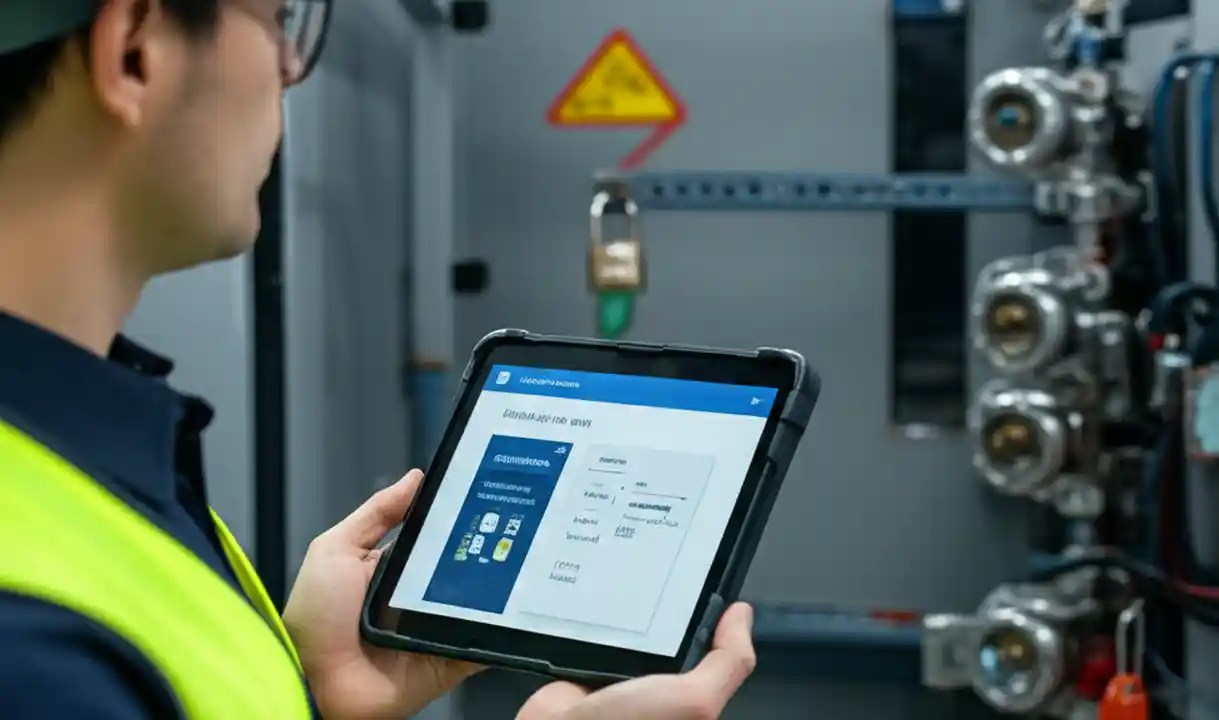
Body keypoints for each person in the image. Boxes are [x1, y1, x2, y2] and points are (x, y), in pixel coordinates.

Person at [0, 1, 758, 718]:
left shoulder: (77, 450)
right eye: (278, 21)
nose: (290, 70)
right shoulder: (28, 643)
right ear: (134, 47)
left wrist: (313, 695)